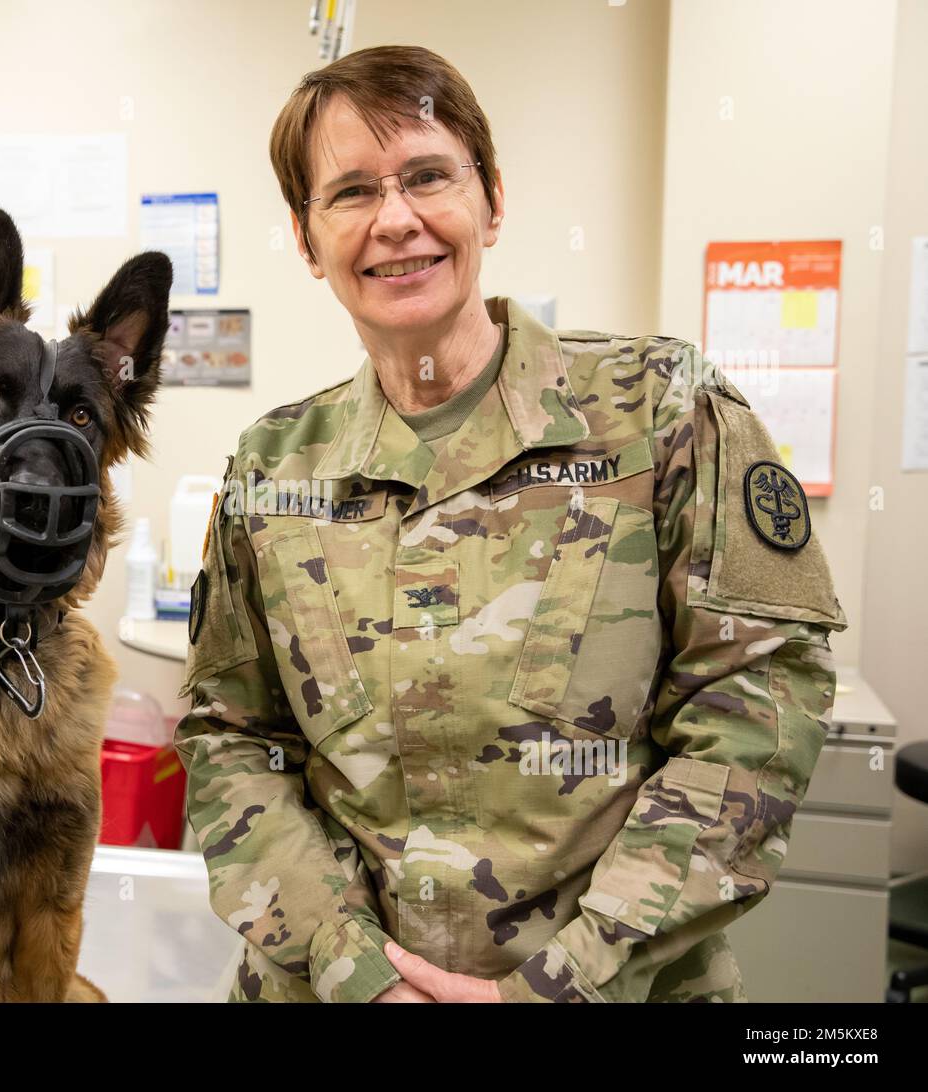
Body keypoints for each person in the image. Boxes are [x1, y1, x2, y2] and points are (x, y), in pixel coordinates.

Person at [173, 44, 847, 1003]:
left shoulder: (661, 413)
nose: (396, 219)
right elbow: (229, 737)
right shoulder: (274, 469)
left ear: (490, 199)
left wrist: (559, 985)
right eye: (352, 191)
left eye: (427, 175)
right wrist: (354, 967)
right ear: (306, 236)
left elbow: (757, 709)